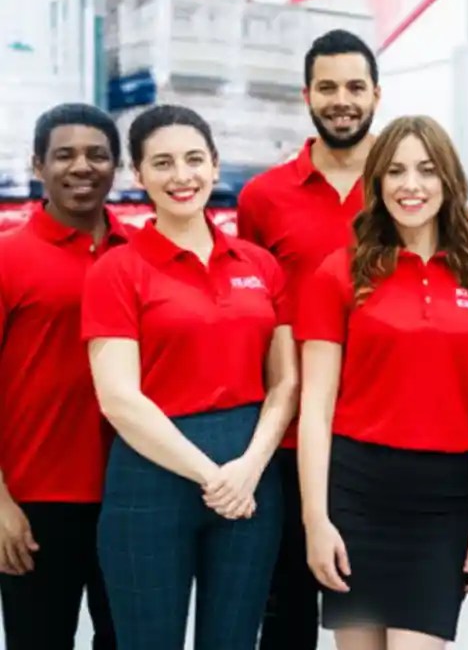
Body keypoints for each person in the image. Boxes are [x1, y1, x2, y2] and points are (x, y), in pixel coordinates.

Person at [81, 104, 295, 649]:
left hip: (250, 472)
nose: (182, 176)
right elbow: (119, 398)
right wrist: (211, 475)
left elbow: (285, 382)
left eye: (195, 159)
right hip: (153, 473)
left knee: (234, 640)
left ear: (216, 166)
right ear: (139, 176)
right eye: (164, 163)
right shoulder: (117, 269)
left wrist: (248, 467)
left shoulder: (258, 265)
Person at [294, 115, 468, 649]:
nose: (412, 186)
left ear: (449, 181)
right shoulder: (339, 273)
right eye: (397, 172)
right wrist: (315, 519)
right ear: (377, 183)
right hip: (356, 494)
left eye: (427, 171)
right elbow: (315, 406)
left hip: (443, 501)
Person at [235, 28, 379, 650]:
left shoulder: (411, 185)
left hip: (379, 433)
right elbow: (249, 311)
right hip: (289, 437)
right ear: (307, 95)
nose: (341, 99)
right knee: (285, 609)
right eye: (327, 87)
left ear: (377, 93)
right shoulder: (264, 198)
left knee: (368, 611)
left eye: (354, 86)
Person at [0, 103, 126, 649]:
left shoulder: (140, 257)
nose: (82, 167)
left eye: (97, 155)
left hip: (132, 496)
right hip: (33, 503)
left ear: (117, 167)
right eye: (65, 154)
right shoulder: (8, 258)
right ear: (37, 165)